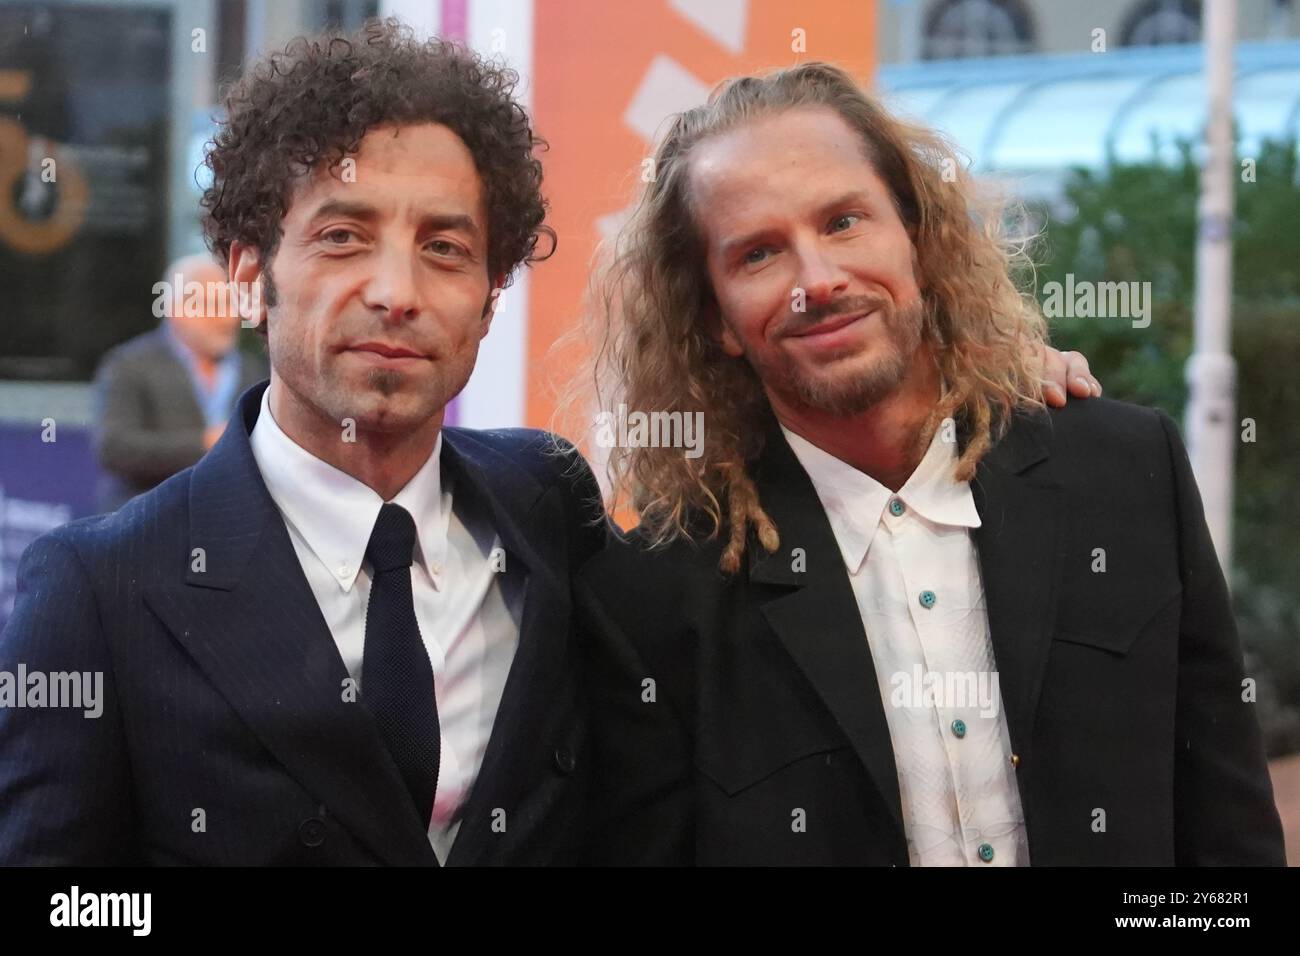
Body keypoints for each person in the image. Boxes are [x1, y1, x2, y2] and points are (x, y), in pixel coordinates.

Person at [576, 62, 1285, 866]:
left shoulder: (1126, 474)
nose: (818, 282)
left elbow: (1229, 837)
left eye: (844, 222)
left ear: (917, 235)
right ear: (716, 320)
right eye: (760, 254)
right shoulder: (657, 595)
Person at [0, 20, 603, 866]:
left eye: (444, 248)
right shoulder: (100, 592)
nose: (395, 292)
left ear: (489, 298)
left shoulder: (549, 504)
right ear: (250, 278)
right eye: (342, 237)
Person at [91, 254, 269, 512]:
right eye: (213, 306)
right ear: (177, 310)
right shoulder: (128, 365)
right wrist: (204, 444)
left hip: (230, 517)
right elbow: (114, 448)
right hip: (147, 517)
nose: (228, 318)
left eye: (231, 304)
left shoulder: (254, 368)